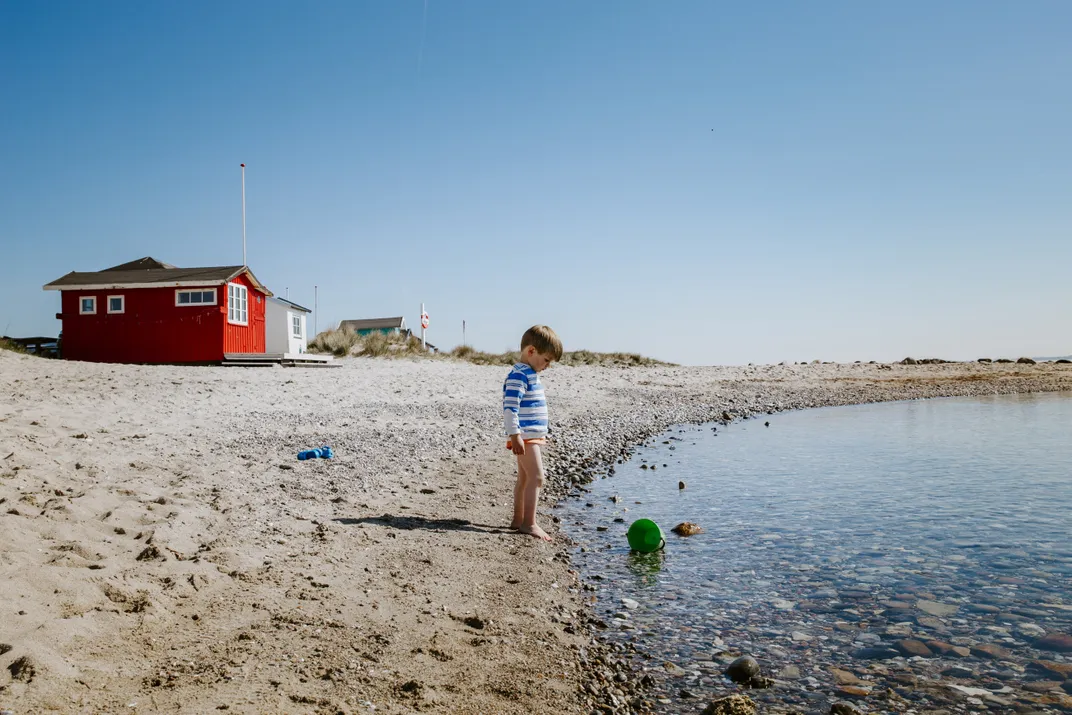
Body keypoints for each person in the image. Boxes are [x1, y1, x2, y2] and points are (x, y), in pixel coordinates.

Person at [502, 325, 563, 541]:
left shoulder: (529, 373)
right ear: (531, 351)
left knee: (525, 478)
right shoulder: (519, 375)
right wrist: (514, 434)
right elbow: (510, 407)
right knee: (537, 477)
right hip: (524, 436)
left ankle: (518, 520)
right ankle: (529, 523)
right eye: (546, 360)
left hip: (529, 435)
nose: (547, 366)